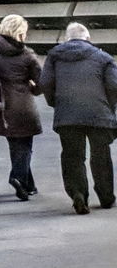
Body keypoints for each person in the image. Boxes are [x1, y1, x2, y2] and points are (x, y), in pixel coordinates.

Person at [40, 22, 117, 214]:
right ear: (88, 38)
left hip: (68, 115)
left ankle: (78, 194)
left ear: (67, 38)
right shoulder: (103, 57)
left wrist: (55, 103)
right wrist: (108, 106)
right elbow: (114, 85)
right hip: (98, 113)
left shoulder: (54, 56)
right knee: (101, 155)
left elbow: (45, 82)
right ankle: (106, 197)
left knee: (72, 156)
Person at [0, 15, 42, 200]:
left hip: (1, 106)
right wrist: (33, 88)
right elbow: (41, 83)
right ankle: (16, 177)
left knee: (16, 145)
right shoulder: (27, 55)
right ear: (20, 33)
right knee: (25, 146)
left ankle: (28, 184)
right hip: (23, 106)